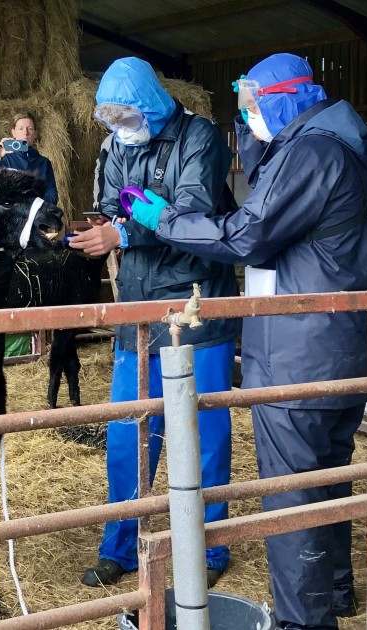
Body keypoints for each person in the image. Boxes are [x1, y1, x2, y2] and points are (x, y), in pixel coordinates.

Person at [126, 52, 367, 630]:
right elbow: (267, 186)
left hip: (298, 359)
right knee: (326, 481)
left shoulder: (313, 154)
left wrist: (162, 218)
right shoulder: (330, 144)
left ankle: (302, 622)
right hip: (332, 349)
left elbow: (246, 234)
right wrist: (247, 124)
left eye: (255, 107)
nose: (250, 119)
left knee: (291, 495)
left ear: (285, 100)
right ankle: (334, 593)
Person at [67, 56, 241, 589]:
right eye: (112, 121)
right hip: (138, 304)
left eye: (127, 117)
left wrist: (124, 234)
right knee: (129, 432)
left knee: (202, 429)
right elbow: (111, 202)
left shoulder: (199, 138)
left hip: (195, 302)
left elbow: (191, 211)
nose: (121, 129)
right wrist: (96, 230)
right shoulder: (116, 145)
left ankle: (208, 548)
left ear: (150, 103)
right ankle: (120, 545)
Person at [0, 112, 58, 204]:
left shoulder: (44, 162)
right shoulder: (4, 159)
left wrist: (33, 206)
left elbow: (52, 195)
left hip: (37, 215)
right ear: (13, 132)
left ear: (35, 133)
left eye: (30, 129)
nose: (25, 133)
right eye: (21, 129)